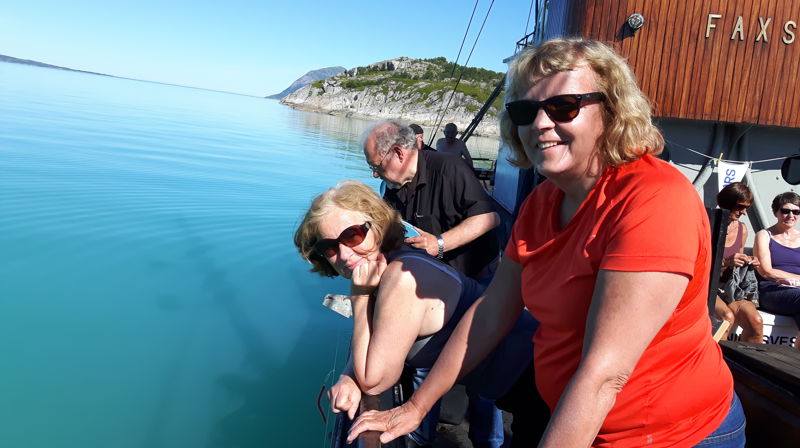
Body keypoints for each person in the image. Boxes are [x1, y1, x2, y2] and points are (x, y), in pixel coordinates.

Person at [348, 38, 744, 448]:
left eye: (563, 106)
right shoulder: (542, 202)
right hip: (574, 419)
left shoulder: (653, 200)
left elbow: (604, 375)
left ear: (611, 111)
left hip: (675, 435)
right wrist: (417, 406)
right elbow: (491, 313)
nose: (539, 123)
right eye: (525, 111)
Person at [293, 180, 540, 447]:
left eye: (352, 235)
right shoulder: (390, 261)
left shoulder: (401, 277)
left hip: (537, 378)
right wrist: (347, 375)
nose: (344, 254)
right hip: (520, 383)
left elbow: (374, 382)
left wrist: (360, 297)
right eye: (329, 248)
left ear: (377, 224)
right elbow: (374, 339)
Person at [362, 118, 500, 282]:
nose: (375, 174)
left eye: (376, 166)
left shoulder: (450, 169)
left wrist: (439, 244)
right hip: (436, 275)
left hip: (478, 276)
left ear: (399, 153)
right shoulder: (391, 186)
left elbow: (489, 218)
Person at [713, 182, 763, 343]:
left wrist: (748, 262)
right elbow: (697, 262)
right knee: (726, 318)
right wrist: (725, 262)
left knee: (756, 322)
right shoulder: (709, 224)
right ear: (727, 202)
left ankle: (749, 359)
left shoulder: (742, 229)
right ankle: (718, 358)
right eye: (740, 207)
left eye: (747, 208)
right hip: (707, 287)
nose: (744, 212)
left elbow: (736, 264)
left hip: (729, 288)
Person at [753, 191, 800, 348]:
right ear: (776, 212)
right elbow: (766, 271)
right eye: (785, 211)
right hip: (772, 290)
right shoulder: (764, 235)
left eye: (796, 212)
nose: (791, 215)